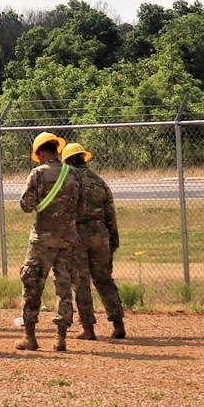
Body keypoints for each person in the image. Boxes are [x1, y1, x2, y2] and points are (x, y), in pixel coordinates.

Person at [16, 131, 84, 352]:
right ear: (56, 150)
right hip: (67, 239)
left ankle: (30, 337)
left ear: (40, 153)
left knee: (32, 283)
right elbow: (81, 206)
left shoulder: (38, 174)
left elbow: (26, 206)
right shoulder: (73, 174)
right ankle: (60, 337)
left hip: (42, 240)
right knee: (64, 287)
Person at [63, 142, 126, 340]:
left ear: (67, 161)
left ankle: (88, 328)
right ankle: (118, 323)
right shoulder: (99, 182)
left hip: (77, 235)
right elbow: (110, 214)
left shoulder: (69, 182)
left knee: (80, 282)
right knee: (104, 279)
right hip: (101, 234)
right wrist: (113, 239)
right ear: (83, 158)